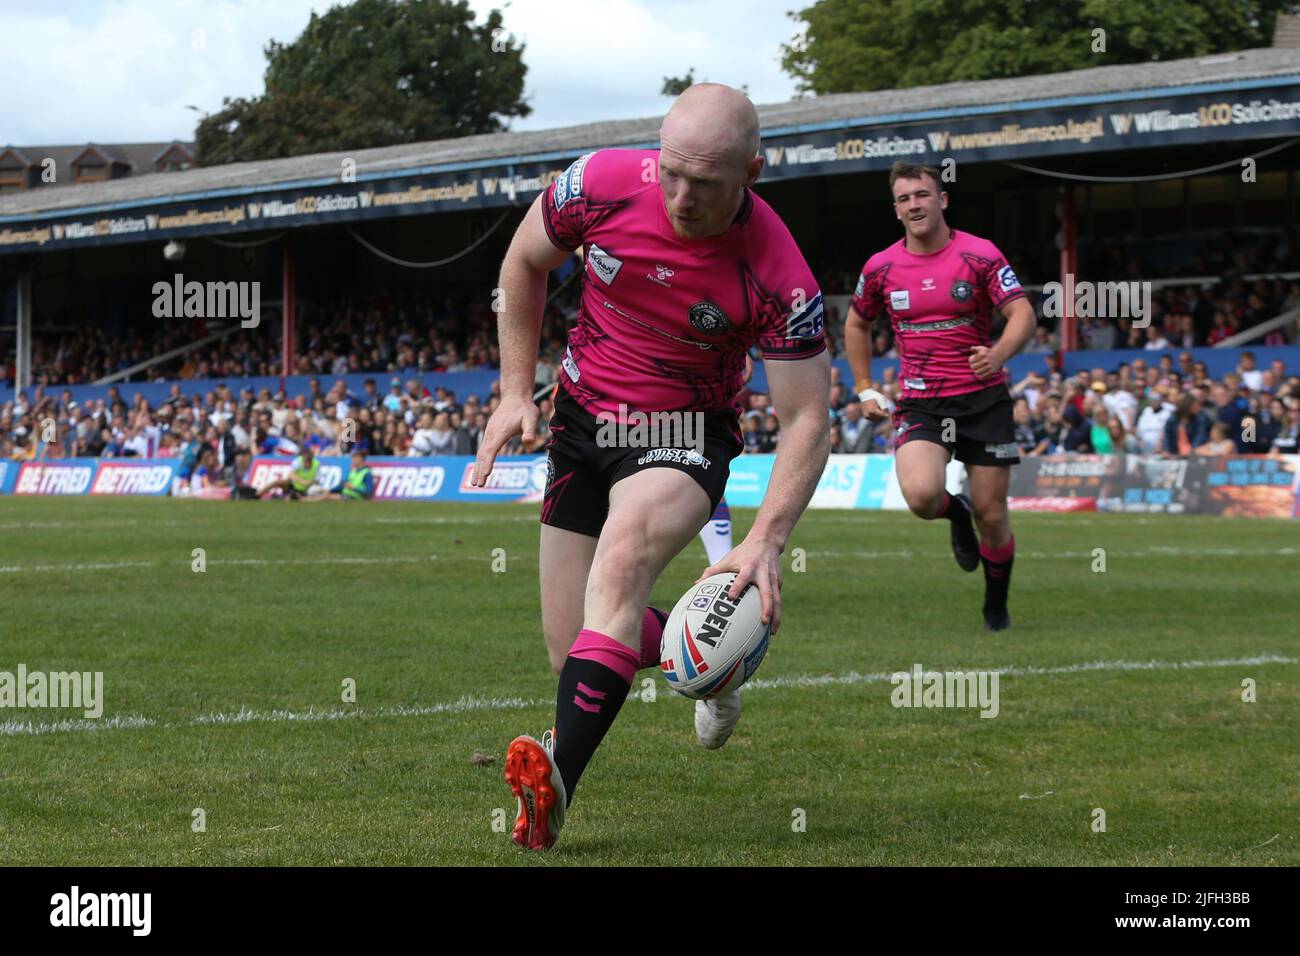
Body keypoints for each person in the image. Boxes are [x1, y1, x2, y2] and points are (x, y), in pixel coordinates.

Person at [471, 84, 831, 851]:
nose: (681, 196)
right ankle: (717, 660)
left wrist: (766, 538)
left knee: (623, 556)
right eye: (671, 172)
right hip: (580, 421)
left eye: (705, 182)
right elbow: (522, 261)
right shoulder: (597, 182)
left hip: (684, 431)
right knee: (577, 646)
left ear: (752, 174)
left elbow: (806, 418)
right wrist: (511, 389)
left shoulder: (780, 274)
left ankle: (552, 789)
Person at [845, 161, 1036, 631]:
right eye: (905, 198)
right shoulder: (881, 267)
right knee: (923, 497)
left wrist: (998, 354)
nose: (915, 204)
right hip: (920, 403)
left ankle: (996, 604)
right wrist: (866, 386)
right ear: (896, 209)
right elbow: (856, 323)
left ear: (942, 199)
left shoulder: (980, 254)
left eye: (922, 195)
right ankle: (957, 512)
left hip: (984, 400)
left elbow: (1023, 315)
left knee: (994, 516)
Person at [258, 445, 322, 499]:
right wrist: (302, 481)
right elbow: (290, 475)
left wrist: (309, 483)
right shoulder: (298, 461)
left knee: (315, 491)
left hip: (306, 490)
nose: (304, 461)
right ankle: (257, 495)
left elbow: (316, 480)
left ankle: (291, 497)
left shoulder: (316, 464)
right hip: (293, 486)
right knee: (278, 482)